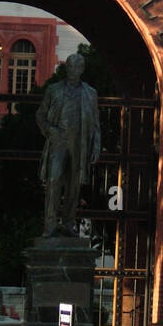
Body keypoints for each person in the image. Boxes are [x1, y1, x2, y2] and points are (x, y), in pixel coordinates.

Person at [36, 53, 101, 237]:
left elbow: (96, 124)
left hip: (79, 143)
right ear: (67, 68)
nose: (74, 70)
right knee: (53, 181)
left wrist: (96, 146)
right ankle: (50, 225)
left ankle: (69, 223)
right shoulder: (54, 90)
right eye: (71, 66)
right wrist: (49, 130)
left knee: (74, 186)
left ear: (82, 69)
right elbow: (40, 115)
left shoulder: (90, 93)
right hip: (58, 141)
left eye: (78, 67)